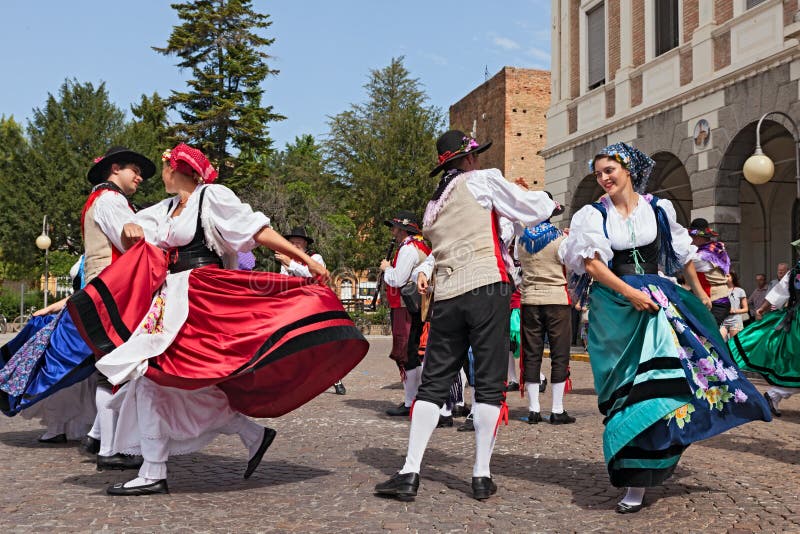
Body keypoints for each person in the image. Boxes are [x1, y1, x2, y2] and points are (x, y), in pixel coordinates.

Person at [69, 143, 368, 495]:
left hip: (204, 297)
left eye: (164, 168)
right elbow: (131, 229)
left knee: (157, 378)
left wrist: (305, 260)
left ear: (177, 169)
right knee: (161, 379)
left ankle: (157, 470)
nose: (160, 175)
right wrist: (131, 229)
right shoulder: (164, 209)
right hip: (170, 301)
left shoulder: (210, 197)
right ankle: (240, 438)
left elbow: (256, 231)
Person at [559, 142, 770, 514]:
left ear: (628, 169)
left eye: (609, 170)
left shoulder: (658, 208)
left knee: (660, 385)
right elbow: (592, 265)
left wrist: (698, 292)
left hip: (657, 304)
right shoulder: (592, 215)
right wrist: (630, 293)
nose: (604, 178)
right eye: (598, 173)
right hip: (615, 309)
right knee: (624, 392)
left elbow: (683, 251)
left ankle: (641, 479)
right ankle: (634, 466)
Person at [374, 130, 556, 502]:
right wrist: (544, 201)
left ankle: (410, 471)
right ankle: (481, 475)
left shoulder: (432, 206)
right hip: (488, 287)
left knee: (434, 382)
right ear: (470, 158)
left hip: (448, 296)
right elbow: (533, 208)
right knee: (488, 382)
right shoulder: (482, 180)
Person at [0, 146, 154, 472]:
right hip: (111, 297)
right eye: (135, 170)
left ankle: (101, 438)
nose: (140, 177)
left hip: (104, 295)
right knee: (116, 370)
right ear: (115, 168)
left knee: (112, 370)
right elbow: (134, 246)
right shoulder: (110, 201)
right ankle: (109, 447)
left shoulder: (103, 200)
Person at [517, 195, 575, 425]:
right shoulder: (561, 239)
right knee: (560, 353)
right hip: (556, 299)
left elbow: (517, 266)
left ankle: (534, 409)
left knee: (532, 353)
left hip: (530, 299)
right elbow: (571, 265)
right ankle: (557, 409)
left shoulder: (521, 239)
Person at [730, 239, 800, 417]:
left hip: (794, 320)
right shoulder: (792, 273)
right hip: (795, 322)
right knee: (794, 365)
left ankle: (774, 395)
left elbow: (777, 294)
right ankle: (773, 395)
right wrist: (761, 309)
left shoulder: (793, 273)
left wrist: (762, 308)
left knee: (794, 365)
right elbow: (778, 294)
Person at [277, 226, 345, 396]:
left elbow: (313, 274)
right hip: (296, 304)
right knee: (295, 343)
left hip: (315, 304)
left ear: (305, 244)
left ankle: (335, 378)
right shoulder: (287, 260)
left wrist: (290, 263)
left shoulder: (315, 257)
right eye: (291, 242)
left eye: (298, 242)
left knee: (322, 343)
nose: (295, 245)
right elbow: (284, 281)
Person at [380, 211, 431, 417]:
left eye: (394, 227)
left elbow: (398, 279)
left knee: (406, 353)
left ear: (402, 229)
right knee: (412, 352)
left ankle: (411, 401)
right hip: (412, 305)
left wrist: (386, 268)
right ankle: (416, 397)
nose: (392, 230)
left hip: (405, 306)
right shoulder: (418, 246)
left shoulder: (408, 249)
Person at [689, 218, 732, 326]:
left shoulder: (705, 255)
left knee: (707, 334)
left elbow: (684, 262)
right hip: (709, 300)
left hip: (716, 302)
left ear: (698, 237)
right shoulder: (712, 249)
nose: (690, 239)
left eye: (692, 236)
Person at [721, 271, 747, 340]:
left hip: (735, 320)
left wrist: (734, 311)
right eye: (724, 276)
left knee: (733, 343)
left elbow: (746, 309)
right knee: (720, 340)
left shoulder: (740, 291)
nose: (725, 277)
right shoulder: (720, 290)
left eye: (727, 276)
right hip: (723, 320)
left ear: (732, 278)